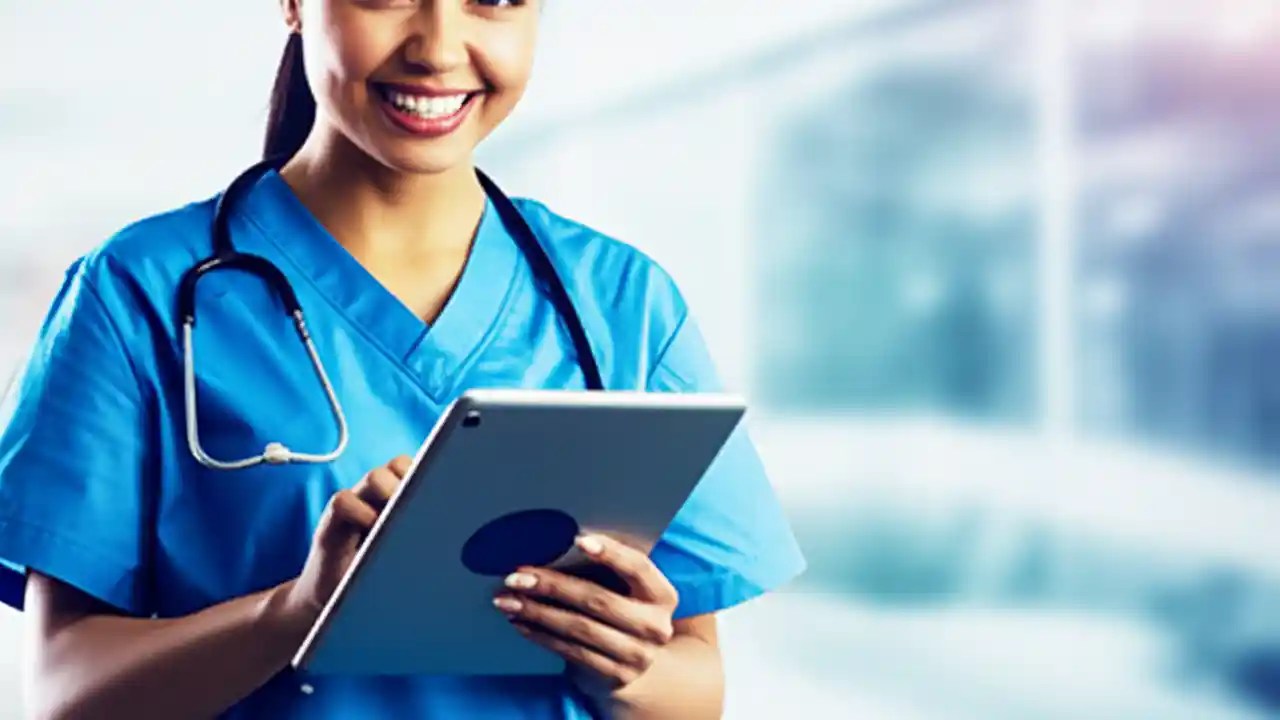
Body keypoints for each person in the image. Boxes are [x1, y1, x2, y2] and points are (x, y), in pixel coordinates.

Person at [0, 1, 805, 718]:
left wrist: (626, 671)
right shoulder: (137, 292)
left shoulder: (622, 303)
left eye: (491, 0)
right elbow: (65, 693)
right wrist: (297, 611)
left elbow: (697, 684)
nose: (438, 46)